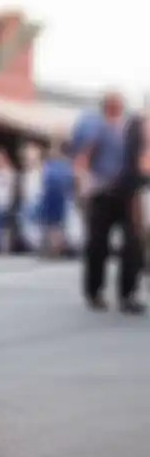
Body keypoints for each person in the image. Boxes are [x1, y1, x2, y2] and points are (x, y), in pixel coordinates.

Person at [72, 91, 144, 313]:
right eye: (114, 102)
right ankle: (94, 292)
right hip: (102, 192)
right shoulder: (97, 127)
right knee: (97, 244)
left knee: (133, 243)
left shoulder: (128, 128)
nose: (118, 105)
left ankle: (128, 294)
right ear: (107, 105)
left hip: (127, 191)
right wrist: (86, 187)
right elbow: (83, 158)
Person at [39, 137, 74, 258]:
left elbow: (68, 182)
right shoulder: (50, 164)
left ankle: (57, 248)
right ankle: (53, 248)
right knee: (51, 223)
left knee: (56, 223)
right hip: (51, 195)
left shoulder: (64, 165)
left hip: (58, 196)